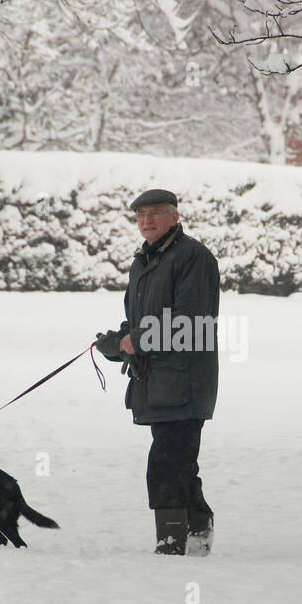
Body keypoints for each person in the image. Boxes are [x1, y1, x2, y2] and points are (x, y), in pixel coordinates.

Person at [95, 189, 220, 556]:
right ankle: (197, 541)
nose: (146, 220)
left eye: (155, 214)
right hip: (156, 383)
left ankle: (171, 546)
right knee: (180, 466)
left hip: (185, 381)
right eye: (141, 215)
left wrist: (137, 339)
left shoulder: (192, 257)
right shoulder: (144, 261)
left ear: (174, 217)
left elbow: (192, 322)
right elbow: (141, 323)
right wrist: (118, 340)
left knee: (166, 465)